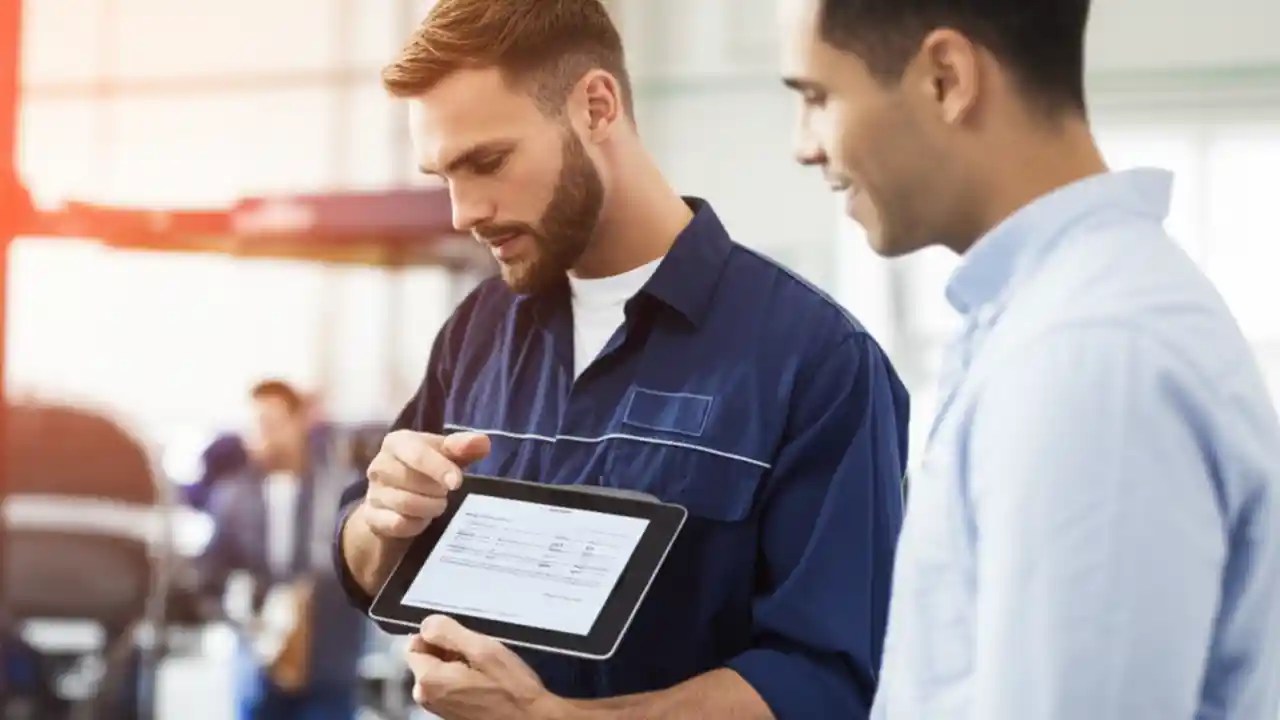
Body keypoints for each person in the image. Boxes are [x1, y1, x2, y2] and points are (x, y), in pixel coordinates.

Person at [332, 1, 910, 718]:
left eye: (486, 161)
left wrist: (554, 718)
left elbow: (824, 681)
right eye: (442, 174)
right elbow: (371, 574)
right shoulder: (477, 331)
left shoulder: (815, 362)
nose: (462, 211)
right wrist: (383, 523)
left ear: (597, 107)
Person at [776, 0, 1280, 718]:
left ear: (946, 77)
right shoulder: (1050, 320)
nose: (805, 145)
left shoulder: (1089, 354)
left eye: (818, 98)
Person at [198, 381, 368, 720]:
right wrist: (238, 616)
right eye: (255, 426)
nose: (262, 437)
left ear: (299, 422)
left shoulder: (342, 490)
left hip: (329, 662)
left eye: (271, 424)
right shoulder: (231, 497)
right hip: (259, 662)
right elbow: (208, 576)